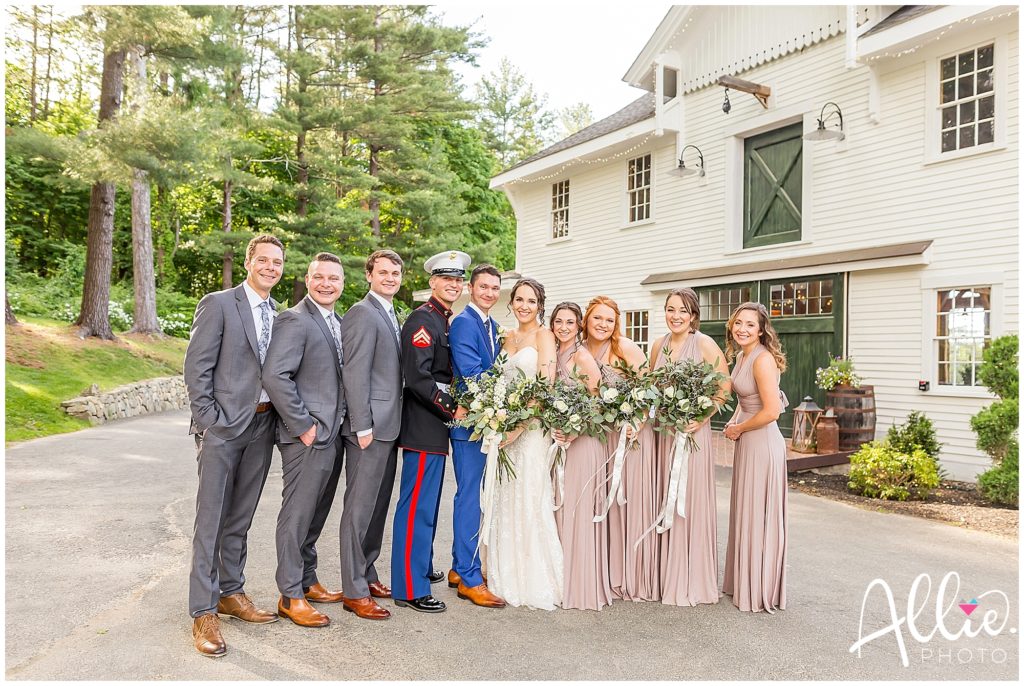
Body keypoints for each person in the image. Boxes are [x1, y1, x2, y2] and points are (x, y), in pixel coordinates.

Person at [184, 234, 284, 658]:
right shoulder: (219, 303)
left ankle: (231, 592)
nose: (270, 267)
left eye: (277, 262)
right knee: (211, 519)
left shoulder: (279, 313)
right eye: (263, 260)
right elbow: (196, 367)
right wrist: (210, 423)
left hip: (262, 426)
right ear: (249, 262)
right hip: (224, 429)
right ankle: (203, 611)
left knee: (240, 517)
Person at [262, 253, 348, 628]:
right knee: (297, 515)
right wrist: (303, 425)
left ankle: (308, 580)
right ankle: (290, 594)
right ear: (308, 279)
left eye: (334, 278)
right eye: (320, 277)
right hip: (307, 437)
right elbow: (275, 375)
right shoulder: (294, 319)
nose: (327, 284)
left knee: (316, 514)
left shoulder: (338, 322)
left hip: (334, 434)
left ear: (343, 283)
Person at [390, 251, 468, 613]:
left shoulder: (445, 320)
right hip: (425, 421)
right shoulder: (423, 320)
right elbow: (419, 378)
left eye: (458, 279)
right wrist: (452, 408)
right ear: (432, 282)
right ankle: (408, 586)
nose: (453, 284)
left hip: (435, 424)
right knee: (416, 506)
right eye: (446, 278)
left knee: (429, 503)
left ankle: (419, 566)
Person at [485, 278, 563, 610]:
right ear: (512, 302)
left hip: (530, 431)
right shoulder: (506, 336)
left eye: (531, 301)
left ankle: (532, 576)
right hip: (504, 427)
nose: (524, 306)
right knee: (504, 496)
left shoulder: (544, 337)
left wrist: (519, 427)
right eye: (519, 299)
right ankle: (502, 571)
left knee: (530, 494)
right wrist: (497, 419)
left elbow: (545, 387)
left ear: (540, 305)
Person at [336, 249, 406, 620]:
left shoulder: (391, 313)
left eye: (395, 272)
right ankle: (354, 590)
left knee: (378, 505)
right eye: (383, 272)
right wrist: (361, 424)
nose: (390, 278)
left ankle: (368, 571)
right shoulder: (362, 313)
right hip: (369, 428)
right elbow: (355, 372)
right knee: (359, 509)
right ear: (369, 275)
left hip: (389, 426)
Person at [648, 288, 729, 607]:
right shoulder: (659, 345)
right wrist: (649, 418)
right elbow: (651, 391)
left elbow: (724, 386)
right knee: (664, 494)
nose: (676, 316)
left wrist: (701, 417)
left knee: (688, 498)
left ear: (693, 315)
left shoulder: (704, 343)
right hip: (664, 433)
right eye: (670, 309)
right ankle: (667, 575)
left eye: (682, 310)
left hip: (693, 435)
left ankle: (692, 578)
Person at [581, 295, 660, 602]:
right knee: (608, 506)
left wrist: (636, 423)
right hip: (603, 436)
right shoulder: (580, 350)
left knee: (630, 502)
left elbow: (650, 391)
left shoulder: (624, 348)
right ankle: (609, 574)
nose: (603, 324)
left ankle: (633, 577)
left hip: (632, 434)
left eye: (609, 320)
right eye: (597, 318)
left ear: (617, 324)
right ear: (587, 319)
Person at [721, 301, 789, 613]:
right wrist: (736, 423)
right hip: (748, 439)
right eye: (738, 323)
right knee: (746, 511)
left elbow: (772, 411)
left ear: (761, 330)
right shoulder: (740, 355)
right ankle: (743, 582)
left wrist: (739, 428)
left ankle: (759, 588)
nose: (742, 329)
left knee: (759, 514)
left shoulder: (762, 360)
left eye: (750, 325)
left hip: (762, 443)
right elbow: (747, 399)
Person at [447, 263, 506, 609]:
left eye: (495, 288)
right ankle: (469, 577)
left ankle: (459, 565)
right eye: (483, 287)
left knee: (477, 496)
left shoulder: (493, 325)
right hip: (469, 427)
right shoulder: (464, 323)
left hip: (488, 424)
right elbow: (471, 374)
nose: (489, 293)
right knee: (470, 497)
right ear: (471, 288)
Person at [550, 301, 613, 611]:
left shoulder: (582, 357)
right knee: (562, 509)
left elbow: (599, 402)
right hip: (561, 442)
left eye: (570, 323)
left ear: (579, 327)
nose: (563, 327)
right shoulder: (555, 354)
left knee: (577, 510)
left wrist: (575, 429)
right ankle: (561, 579)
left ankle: (582, 585)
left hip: (584, 442)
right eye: (558, 321)